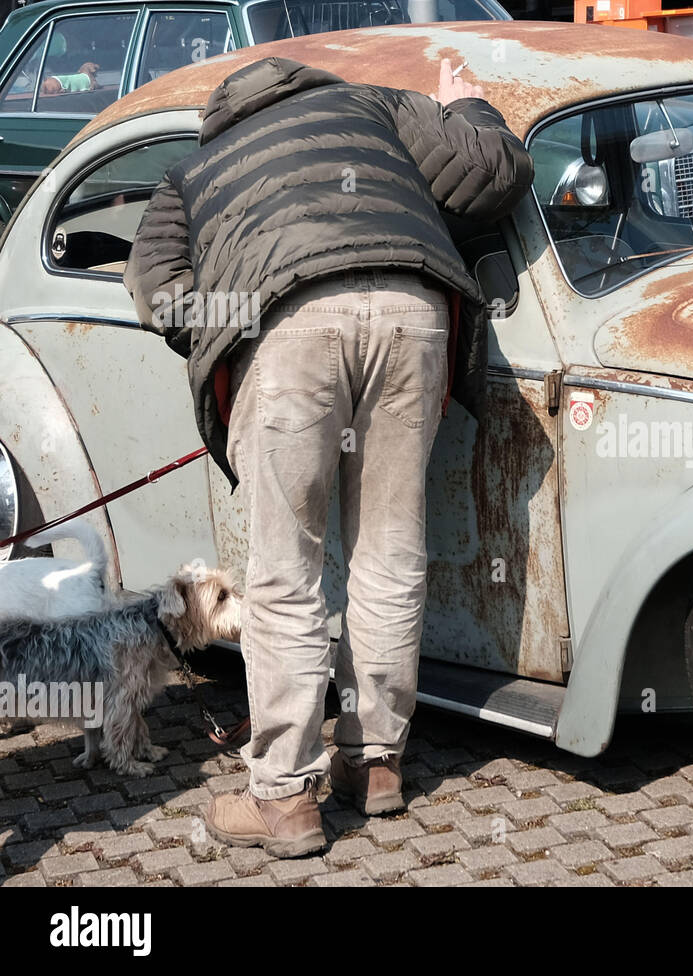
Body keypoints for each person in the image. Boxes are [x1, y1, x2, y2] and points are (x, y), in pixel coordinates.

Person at [125, 55, 533, 858]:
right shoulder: (374, 105)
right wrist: (470, 106)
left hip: (285, 332)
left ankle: (283, 798)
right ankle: (375, 761)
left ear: (223, 114)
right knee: (389, 549)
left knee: (285, 571)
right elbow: (492, 175)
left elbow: (154, 288)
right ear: (305, 85)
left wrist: (229, 322)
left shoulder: (194, 169)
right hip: (412, 310)